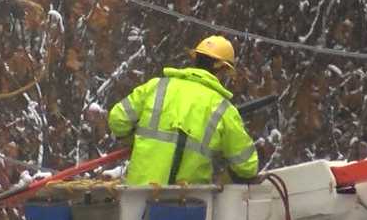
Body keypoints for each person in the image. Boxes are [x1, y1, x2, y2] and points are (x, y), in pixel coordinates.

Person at [108, 35, 259, 185]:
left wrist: (136, 140)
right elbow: (247, 166)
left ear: (195, 59)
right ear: (223, 68)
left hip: (137, 196)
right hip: (186, 201)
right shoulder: (223, 109)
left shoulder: (157, 87)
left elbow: (117, 119)